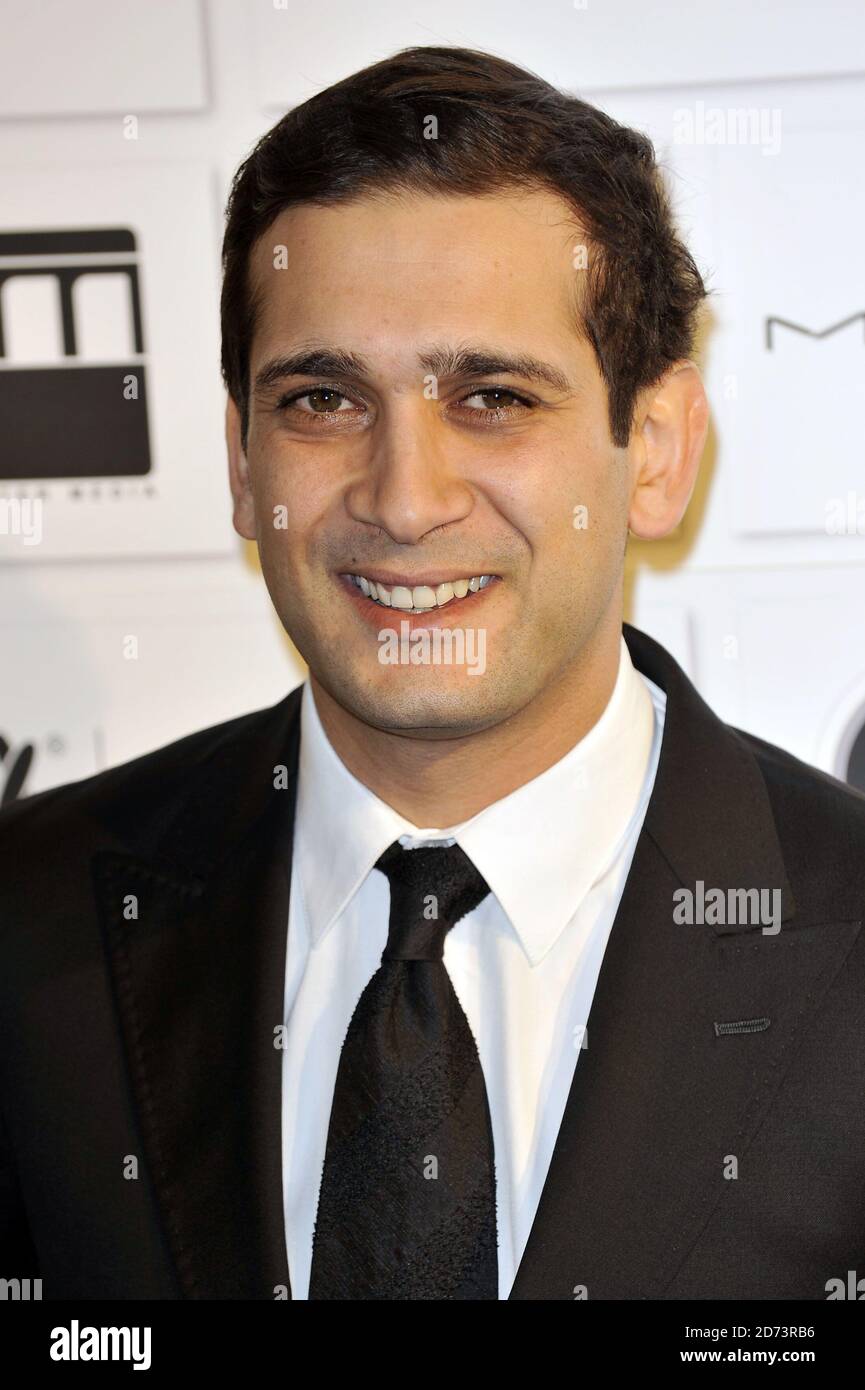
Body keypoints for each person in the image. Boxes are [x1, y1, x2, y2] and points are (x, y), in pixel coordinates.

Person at [2, 45, 864, 1302]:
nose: (404, 501)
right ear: (243, 466)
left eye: (495, 397)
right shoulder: (30, 920)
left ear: (658, 452)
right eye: (321, 400)